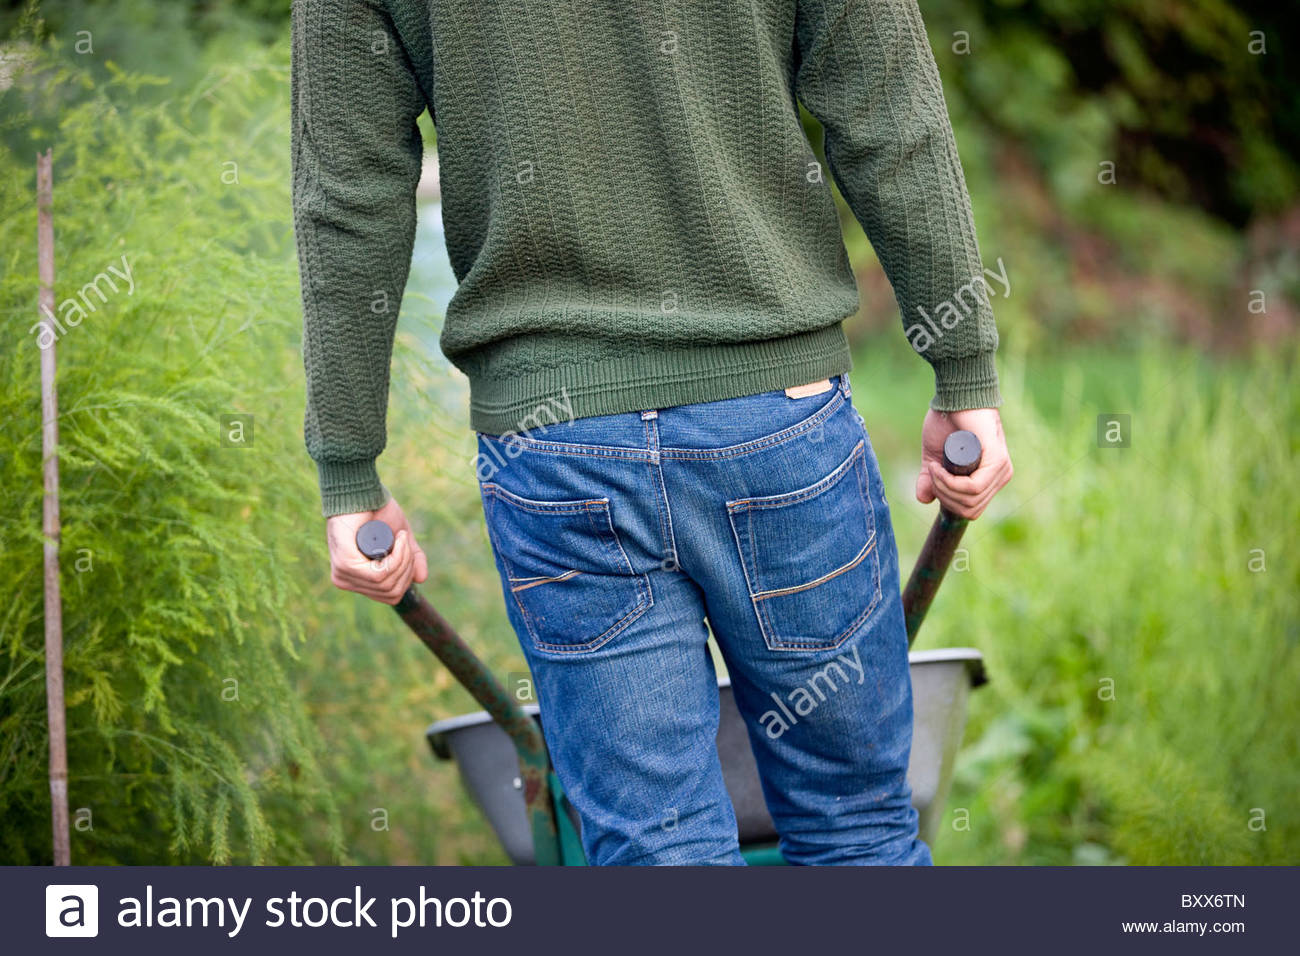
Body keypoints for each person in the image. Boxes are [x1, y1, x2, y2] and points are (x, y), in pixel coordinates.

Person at [291, 0, 1013, 865]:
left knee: (657, 855)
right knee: (856, 828)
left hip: (557, 446)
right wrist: (961, 366)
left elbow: (349, 190)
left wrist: (349, 470)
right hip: (776, 415)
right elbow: (887, 110)